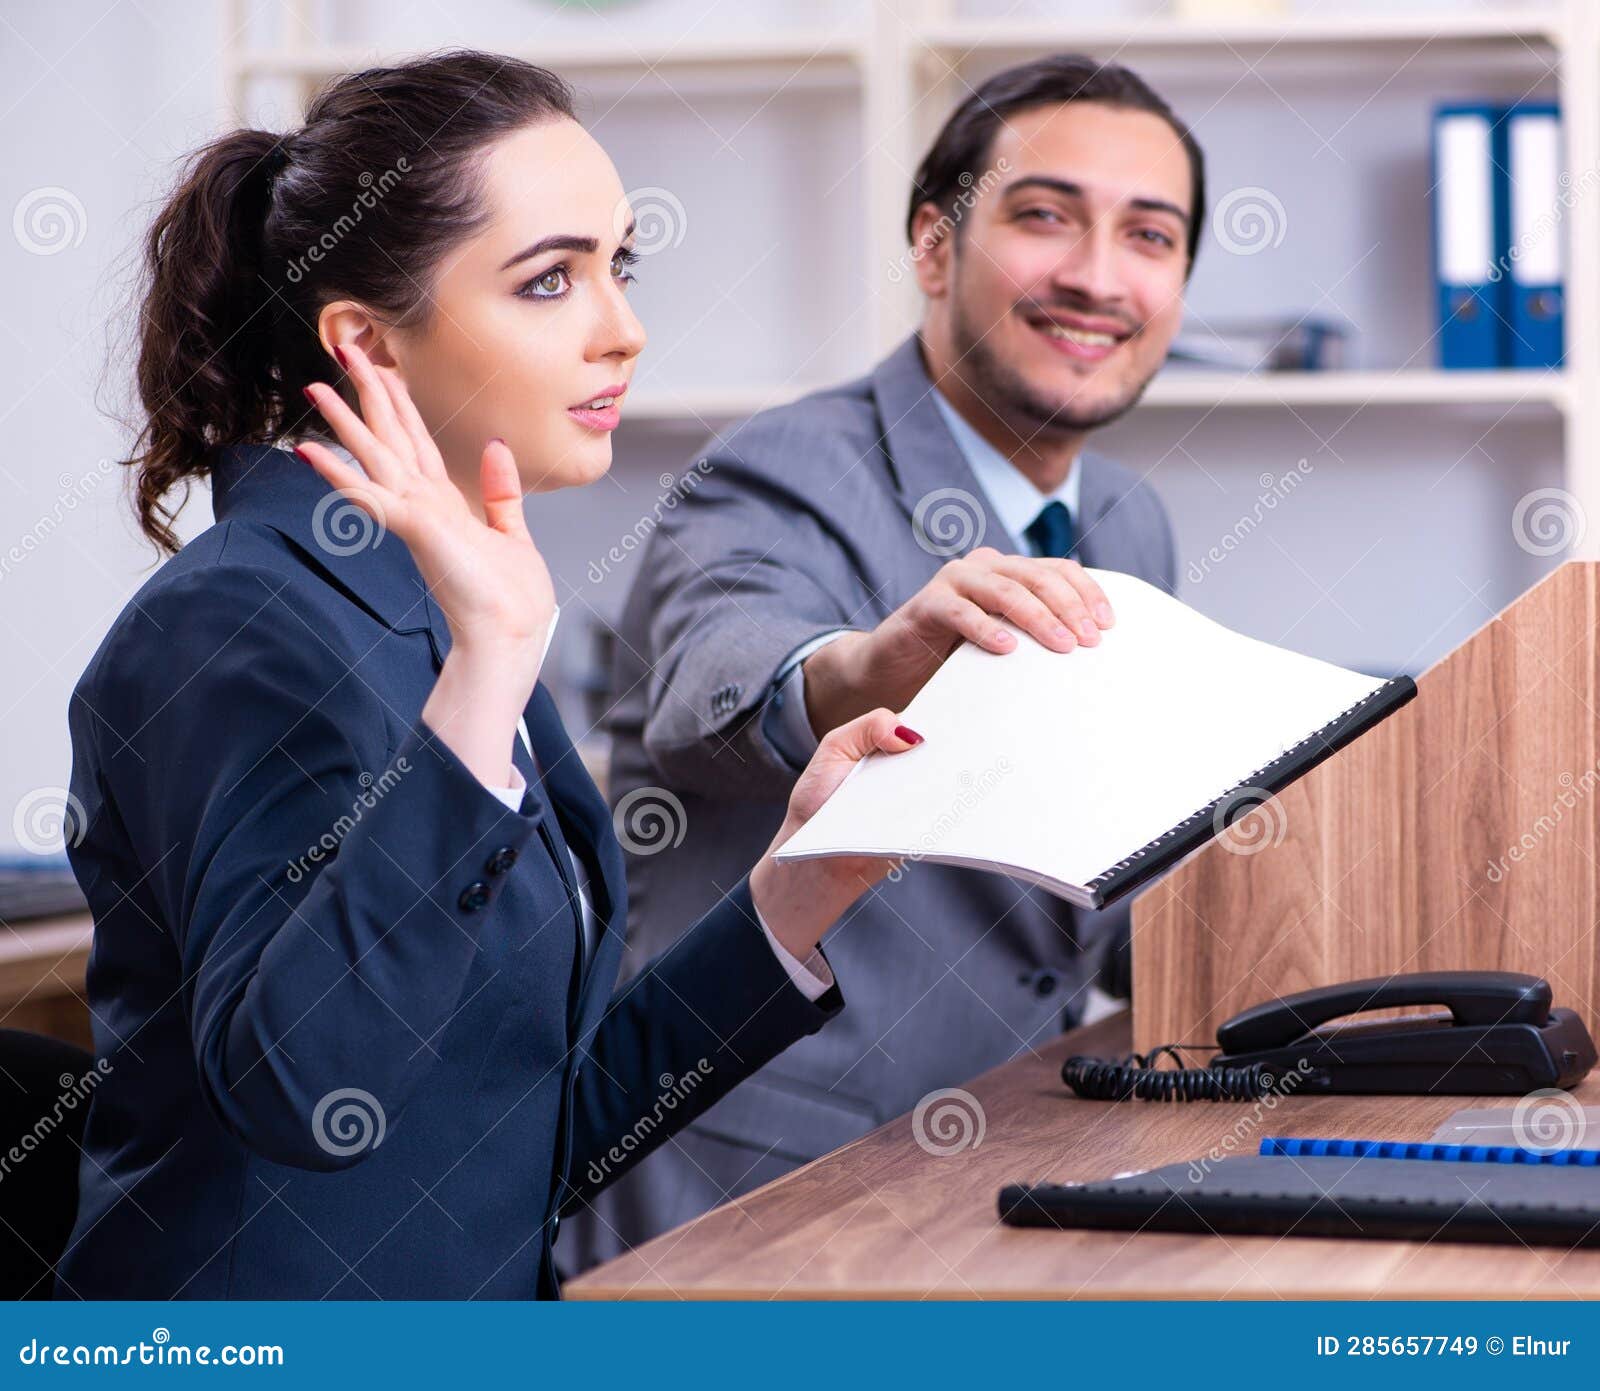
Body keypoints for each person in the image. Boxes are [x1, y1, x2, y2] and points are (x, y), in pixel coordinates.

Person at [51, 50, 991, 1301]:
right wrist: (490, 669)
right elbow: (300, 1086)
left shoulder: (444, 604)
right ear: (366, 343)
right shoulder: (240, 618)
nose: (623, 327)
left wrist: (791, 894)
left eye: (620, 265)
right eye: (551, 279)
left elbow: (534, 1136)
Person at [572, 54, 1197, 1268]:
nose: (1097, 276)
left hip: (1003, 1160)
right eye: (1041, 215)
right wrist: (873, 662)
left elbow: (1090, 877)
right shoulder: (782, 466)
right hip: (756, 1187)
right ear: (931, 247)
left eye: (1150, 236)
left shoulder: (1127, 521)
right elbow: (714, 684)